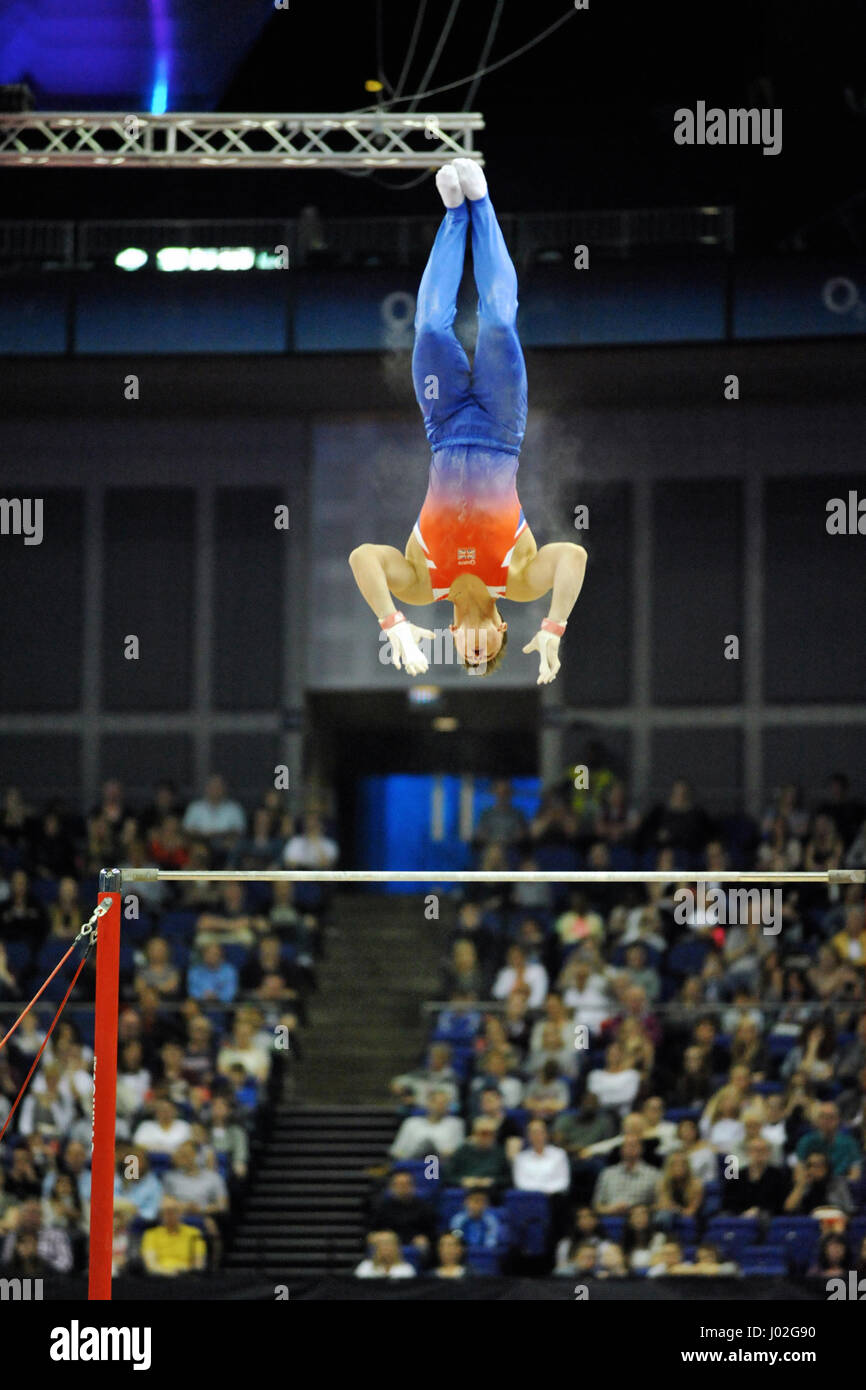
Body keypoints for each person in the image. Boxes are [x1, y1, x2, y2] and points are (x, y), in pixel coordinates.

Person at [348, 158, 587, 683]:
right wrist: (553, 626)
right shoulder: (520, 582)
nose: (476, 645)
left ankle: (455, 212)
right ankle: (482, 203)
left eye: (467, 654)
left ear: (453, 638)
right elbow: (572, 555)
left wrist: (392, 623)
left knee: (431, 328)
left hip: (445, 423)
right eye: (488, 651)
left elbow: (363, 555)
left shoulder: (418, 585)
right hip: (502, 428)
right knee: (499, 322)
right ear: (502, 633)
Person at [368, 1170, 437, 1257]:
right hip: (387, 1245)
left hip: (416, 1246)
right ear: (391, 1187)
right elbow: (372, 1231)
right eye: (399, 1184)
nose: (403, 1188)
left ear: (413, 1186)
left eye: (406, 1184)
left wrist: (424, 1238)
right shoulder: (382, 1207)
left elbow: (432, 1233)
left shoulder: (424, 1207)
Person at [592, 1134, 661, 1214]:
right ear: (621, 1149)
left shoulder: (654, 1175)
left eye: (634, 1145)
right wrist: (610, 1209)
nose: (630, 1149)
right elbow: (596, 1205)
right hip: (610, 1216)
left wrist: (641, 1210)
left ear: (642, 1149)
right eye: (627, 1146)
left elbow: (659, 1204)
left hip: (640, 1219)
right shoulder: (607, 1174)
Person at [140, 1196, 207, 1277]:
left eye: (174, 1211)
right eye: (166, 1212)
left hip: (187, 1279)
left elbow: (199, 1264)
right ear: (161, 1215)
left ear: (181, 1213)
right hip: (160, 1279)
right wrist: (172, 1272)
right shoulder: (150, 1235)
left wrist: (183, 1272)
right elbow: (151, 1266)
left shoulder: (194, 1233)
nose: (170, 1215)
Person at [389, 1089, 465, 1161]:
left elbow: (460, 1153)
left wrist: (440, 1153)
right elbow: (396, 1151)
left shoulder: (455, 1124)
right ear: (428, 1103)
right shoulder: (411, 1123)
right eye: (436, 1102)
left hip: (442, 1167)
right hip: (414, 1165)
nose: (440, 1106)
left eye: (444, 1103)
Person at [512, 1119, 570, 1195]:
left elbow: (563, 1182)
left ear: (546, 1134)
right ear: (528, 1136)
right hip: (530, 1198)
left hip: (554, 1197)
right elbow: (520, 1183)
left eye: (540, 1132)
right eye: (533, 1133)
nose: (537, 1136)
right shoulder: (520, 1158)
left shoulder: (559, 1154)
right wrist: (539, 1193)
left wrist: (546, 1191)